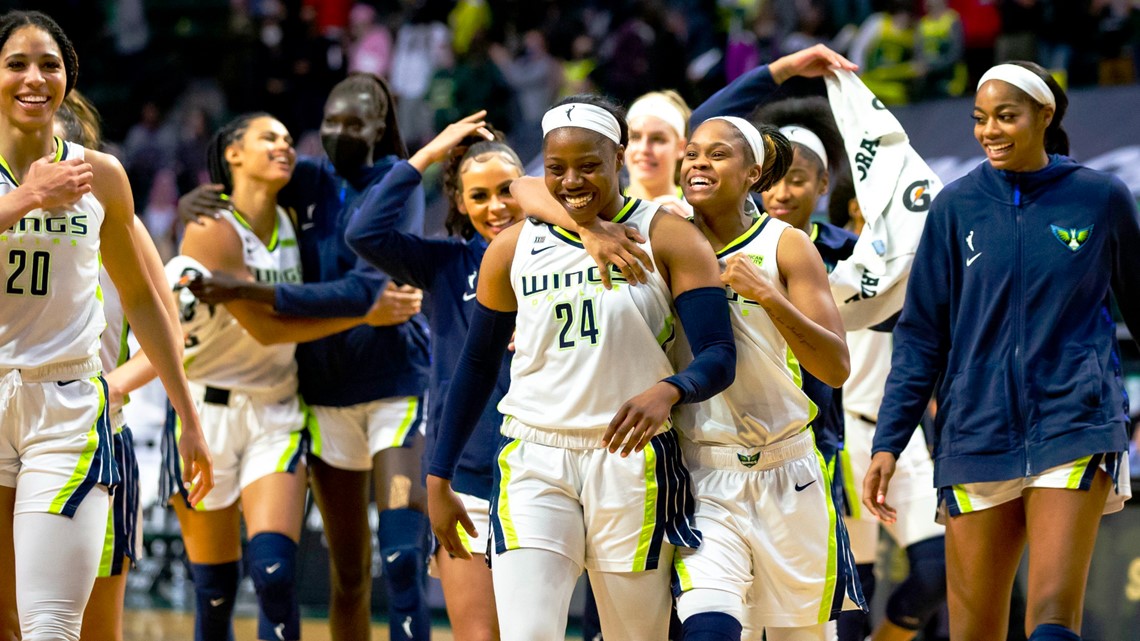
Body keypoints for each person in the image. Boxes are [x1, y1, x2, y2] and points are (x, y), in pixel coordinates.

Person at [426, 95, 737, 641]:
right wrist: (438, 473)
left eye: (588, 165)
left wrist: (671, 389)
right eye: (556, 168)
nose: (571, 181)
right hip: (534, 456)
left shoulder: (666, 235)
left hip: (631, 457)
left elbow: (718, 353)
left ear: (619, 158)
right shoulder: (512, 247)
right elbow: (475, 365)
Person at [863, 62, 1140, 641]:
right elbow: (920, 337)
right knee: (975, 632)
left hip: (1075, 422)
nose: (989, 130)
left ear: (1045, 116)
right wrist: (890, 440)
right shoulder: (954, 206)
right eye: (980, 118)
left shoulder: (1101, 198)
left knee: (1052, 619)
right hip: (975, 432)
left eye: (1006, 116)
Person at [178, 72, 433, 641]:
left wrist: (250, 291)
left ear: (380, 128)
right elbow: (242, 190)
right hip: (320, 395)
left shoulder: (398, 182)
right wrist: (193, 195)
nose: (340, 131)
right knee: (347, 573)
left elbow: (368, 291)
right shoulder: (307, 179)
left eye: (355, 122)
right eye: (332, 121)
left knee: (401, 561)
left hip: (392, 387)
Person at [0, 10, 212, 641]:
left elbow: (147, 305)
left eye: (50, 64)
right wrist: (27, 198)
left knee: (51, 624)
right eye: (17, 63)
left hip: (67, 402)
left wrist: (189, 418)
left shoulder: (104, 177)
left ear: (68, 79)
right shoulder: (28, 188)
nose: (35, 77)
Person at [673, 115, 865, 641]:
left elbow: (835, 366)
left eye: (717, 154)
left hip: (789, 469)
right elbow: (535, 191)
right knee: (707, 627)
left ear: (754, 172)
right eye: (691, 153)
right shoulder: (662, 238)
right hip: (702, 472)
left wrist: (769, 295)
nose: (698, 163)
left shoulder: (786, 245)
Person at [346, 111, 524, 641]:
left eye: (508, 190)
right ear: (461, 204)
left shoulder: (567, 261)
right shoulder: (445, 265)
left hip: (547, 470)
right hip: (465, 476)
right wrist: (426, 154)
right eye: (479, 196)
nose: (495, 207)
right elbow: (365, 231)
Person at [53, 88, 179, 641]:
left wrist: (112, 386)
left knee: (95, 626)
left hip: (99, 433)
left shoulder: (115, 218)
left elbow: (168, 333)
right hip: (16, 424)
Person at [624, 90, 692, 218]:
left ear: (681, 147)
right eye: (635, 137)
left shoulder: (697, 209)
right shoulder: (605, 209)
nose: (644, 149)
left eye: (657, 139)